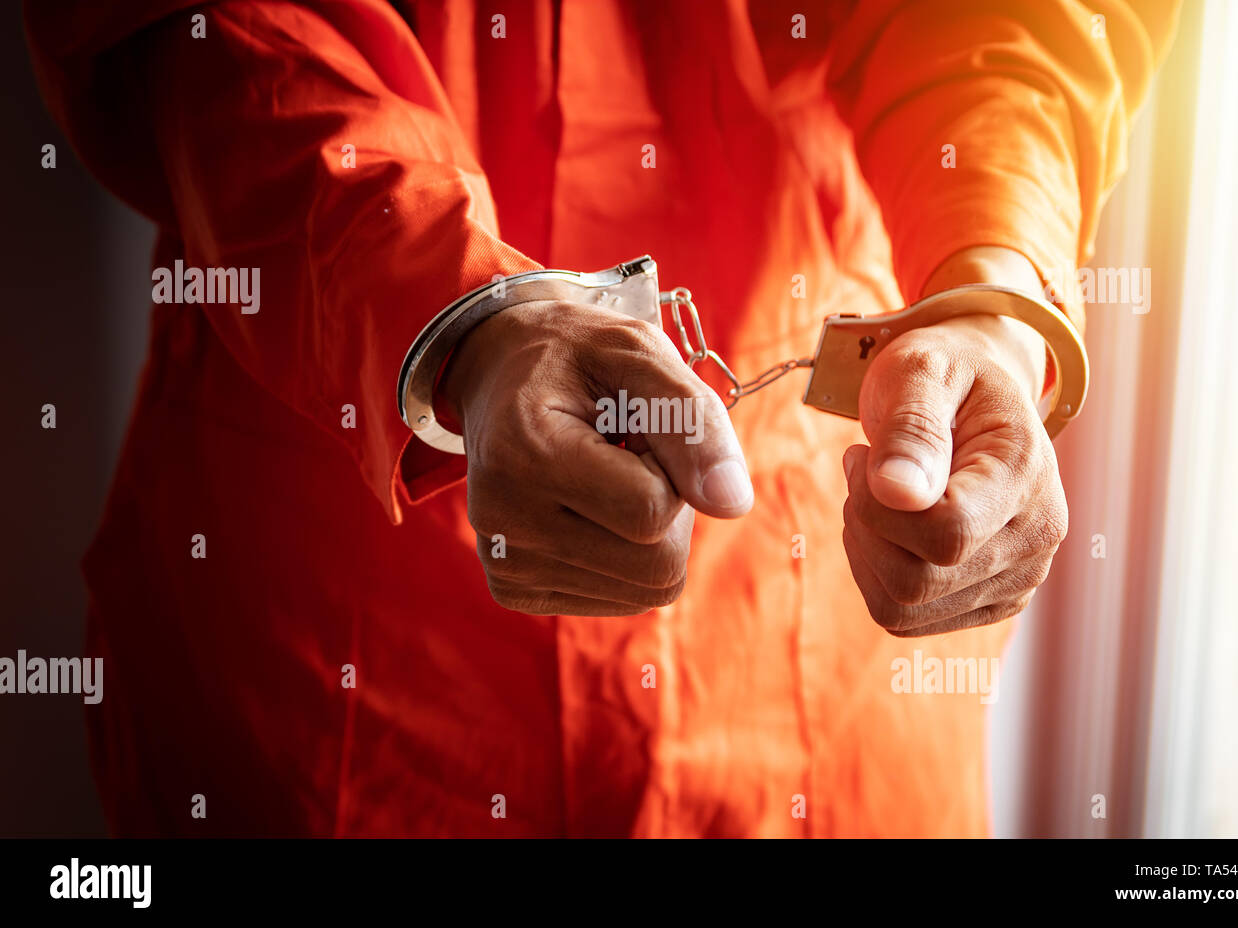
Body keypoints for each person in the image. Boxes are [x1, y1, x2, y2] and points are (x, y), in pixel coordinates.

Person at [25, 0, 1179, 836]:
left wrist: (997, 281)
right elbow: (211, 30)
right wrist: (450, 316)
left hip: (820, 647)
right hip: (339, 635)